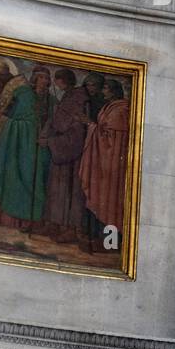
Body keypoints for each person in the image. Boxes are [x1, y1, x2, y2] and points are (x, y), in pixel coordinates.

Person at [0, 56, 49, 230]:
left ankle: (14, 220)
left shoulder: (24, 92)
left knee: (13, 177)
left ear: (5, 74)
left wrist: (5, 121)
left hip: (18, 148)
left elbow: (30, 124)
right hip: (3, 144)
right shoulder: (4, 89)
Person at [39, 67, 92, 243]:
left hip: (70, 154)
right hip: (61, 152)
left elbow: (77, 131)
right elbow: (56, 121)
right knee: (56, 189)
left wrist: (52, 142)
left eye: (57, 79)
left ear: (64, 81)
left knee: (71, 191)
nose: (55, 83)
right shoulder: (68, 97)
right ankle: (54, 223)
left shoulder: (78, 98)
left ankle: (70, 229)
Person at [77, 77, 130, 253]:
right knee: (101, 200)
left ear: (114, 91)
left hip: (113, 163)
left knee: (111, 203)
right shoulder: (110, 107)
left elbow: (112, 139)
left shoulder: (121, 110)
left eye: (106, 88)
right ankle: (101, 240)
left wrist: (89, 124)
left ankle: (111, 243)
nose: (103, 91)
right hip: (103, 162)